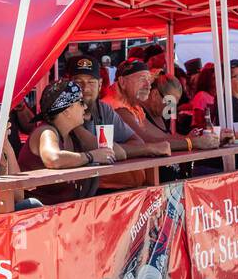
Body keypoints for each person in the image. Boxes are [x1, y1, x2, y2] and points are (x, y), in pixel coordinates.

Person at [70, 56, 169, 189]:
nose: (85, 88)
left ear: (100, 85)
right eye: (78, 83)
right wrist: (146, 148)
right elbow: (134, 146)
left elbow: (136, 142)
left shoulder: (104, 109)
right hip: (76, 193)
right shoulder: (65, 112)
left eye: (91, 82)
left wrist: (115, 149)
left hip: (106, 189)